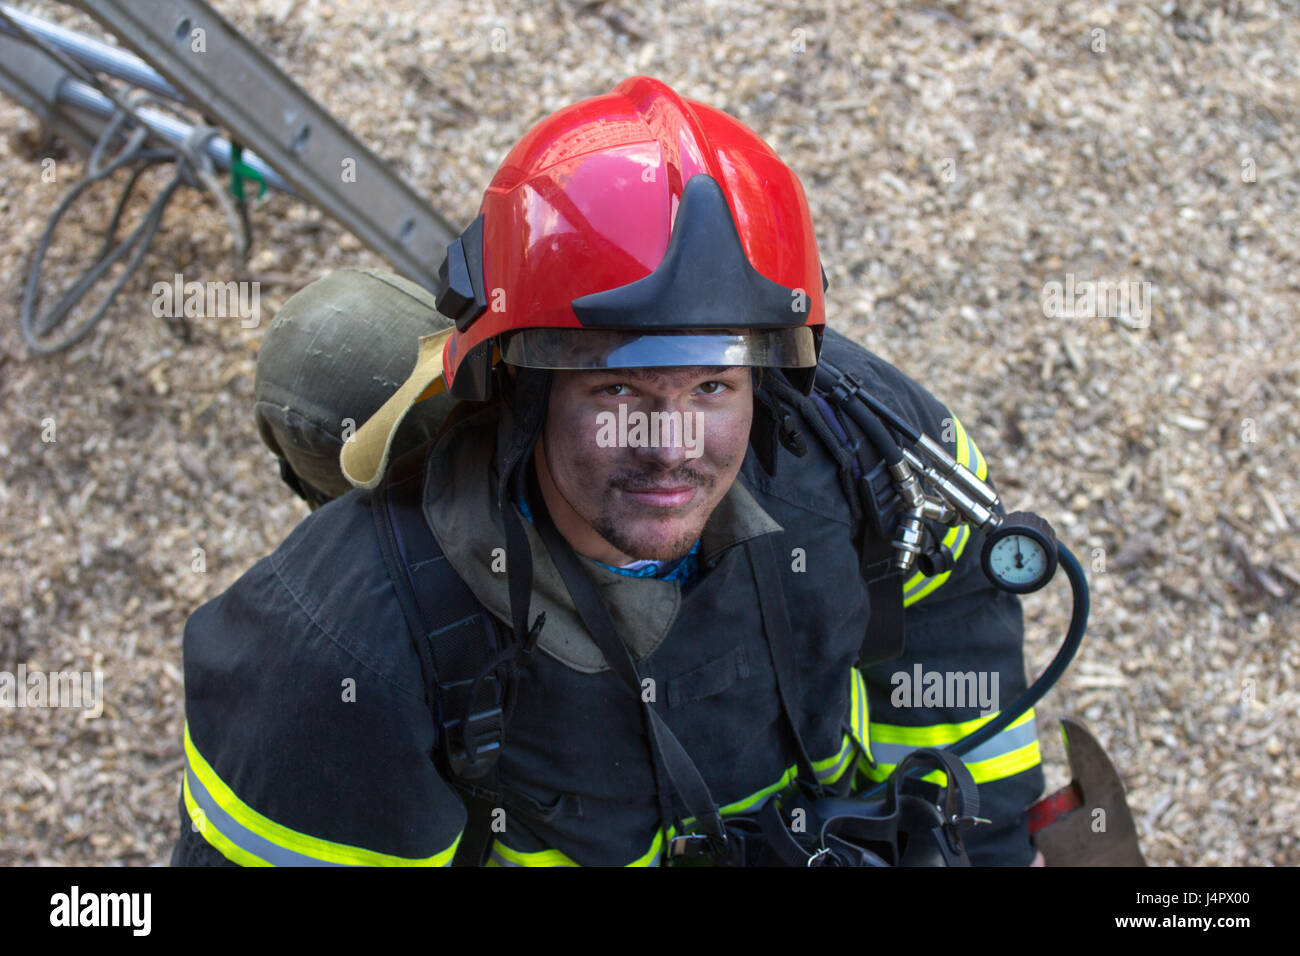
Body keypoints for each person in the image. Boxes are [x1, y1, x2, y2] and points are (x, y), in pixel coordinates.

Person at [171, 76, 1046, 867]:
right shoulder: (338, 661)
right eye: (618, 386)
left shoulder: (861, 444)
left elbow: (953, 621)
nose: (672, 445)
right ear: (515, 389)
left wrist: (971, 846)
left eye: (713, 384)